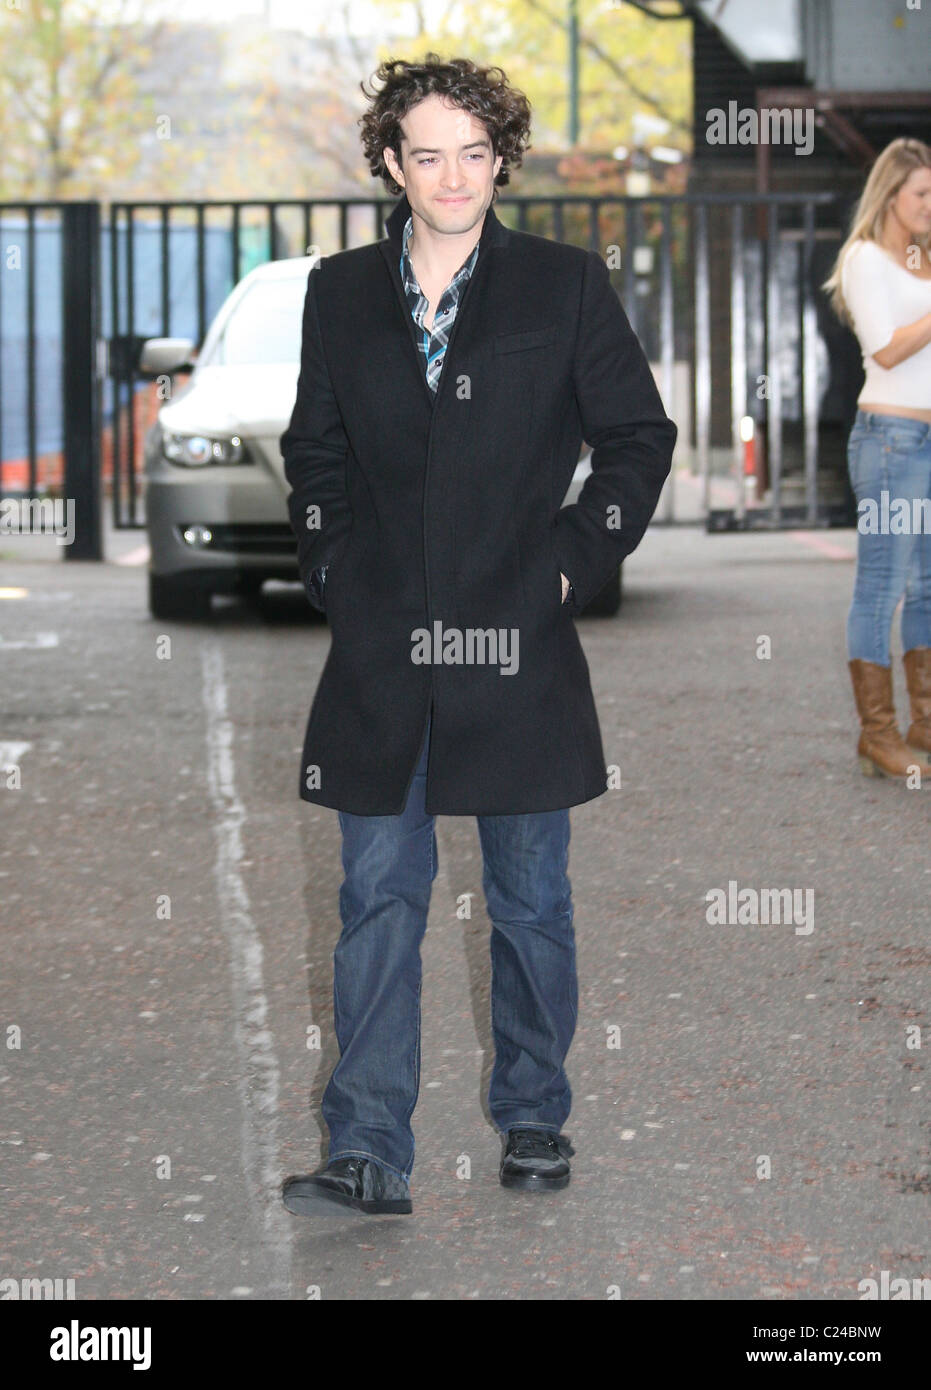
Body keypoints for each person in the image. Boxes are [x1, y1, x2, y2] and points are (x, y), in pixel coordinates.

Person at [279, 54, 676, 1217]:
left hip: (519, 646)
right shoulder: (339, 292)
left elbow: (637, 438)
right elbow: (316, 452)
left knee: (530, 901)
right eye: (426, 153)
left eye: (473, 151)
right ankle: (366, 1147)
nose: (452, 175)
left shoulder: (561, 286)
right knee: (377, 899)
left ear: (500, 158)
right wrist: (331, 565)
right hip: (380, 651)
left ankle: (535, 1111)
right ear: (392, 164)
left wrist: (570, 559)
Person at [824, 137, 931, 780]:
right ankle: (878, 732)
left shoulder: (925, 259)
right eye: (920, 193)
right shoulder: (864, 258)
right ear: (890, 195)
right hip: (891, 439)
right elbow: (887, 351)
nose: (929, 205)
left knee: (929, 588)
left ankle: (924, 720)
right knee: (881, 588)